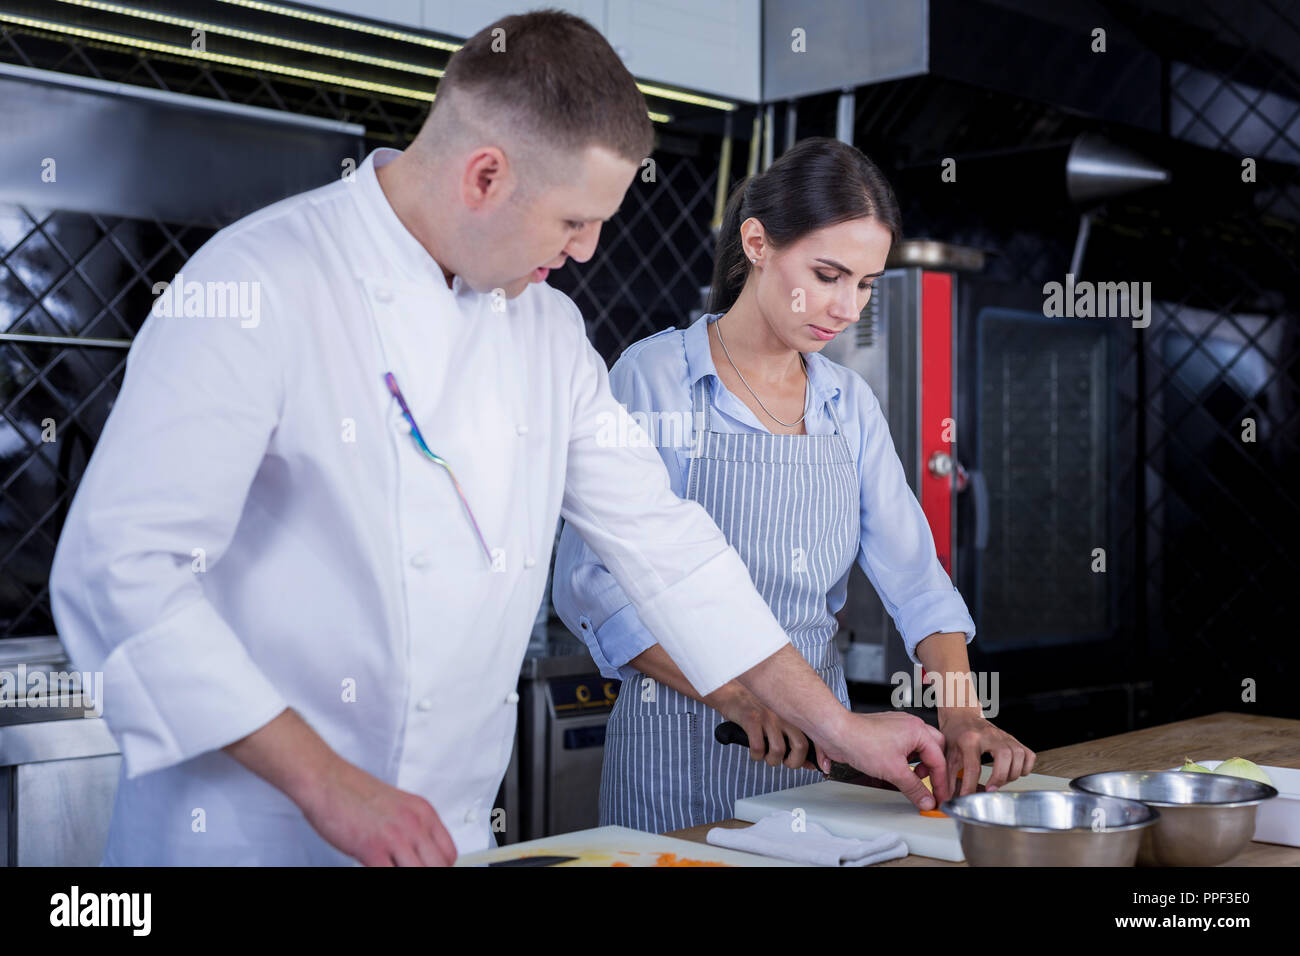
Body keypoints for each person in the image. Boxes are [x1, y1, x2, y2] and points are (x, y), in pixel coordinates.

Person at [48, 12, 950, 867]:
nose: (590, 250)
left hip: (442, 836)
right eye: (572, 220)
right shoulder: (262, 283)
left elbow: (669, 549)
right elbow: (118, 569)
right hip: (252, 834)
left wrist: (839, 726)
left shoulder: (547, 332)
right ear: (485, 176)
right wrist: (326, 784)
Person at [552, 136, 1035, 833]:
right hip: (680, 743)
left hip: (822, 761)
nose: (846, 308)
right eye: (829, 274)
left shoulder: (849, 403)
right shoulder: (656, 378)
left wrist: (962, 712)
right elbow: (592, 586)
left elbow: (915, 576)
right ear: (756, 242)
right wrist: (741, 699)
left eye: (865, 285)